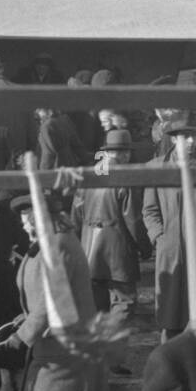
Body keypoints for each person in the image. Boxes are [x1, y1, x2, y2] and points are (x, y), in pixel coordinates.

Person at [0, 193, 108, 391]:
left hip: (64, 342)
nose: (23, 224)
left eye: (26, 217)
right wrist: (25, 319)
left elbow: (50, 301)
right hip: (66, 339)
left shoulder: (56, 245)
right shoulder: (54, 241)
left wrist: (22, 337)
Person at [144, 116, 196, 342]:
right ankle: (167, 364)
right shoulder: (156, 167)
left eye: (194, 136)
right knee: (170, 315)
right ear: (174, 140)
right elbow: (149, 209)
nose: (191, 141)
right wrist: (159, 237)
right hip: (170, 250)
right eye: (185, 136)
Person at [73, 130, 145, 318]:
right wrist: (144, 247)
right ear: (124, 153)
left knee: (97, 308)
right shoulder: (125, 177)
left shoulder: (88, 176)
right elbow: (133, 220)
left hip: (89, 250)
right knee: (124, 304)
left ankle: (99, 345)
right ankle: (114, 344)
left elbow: (76, 215)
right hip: (118, 252)